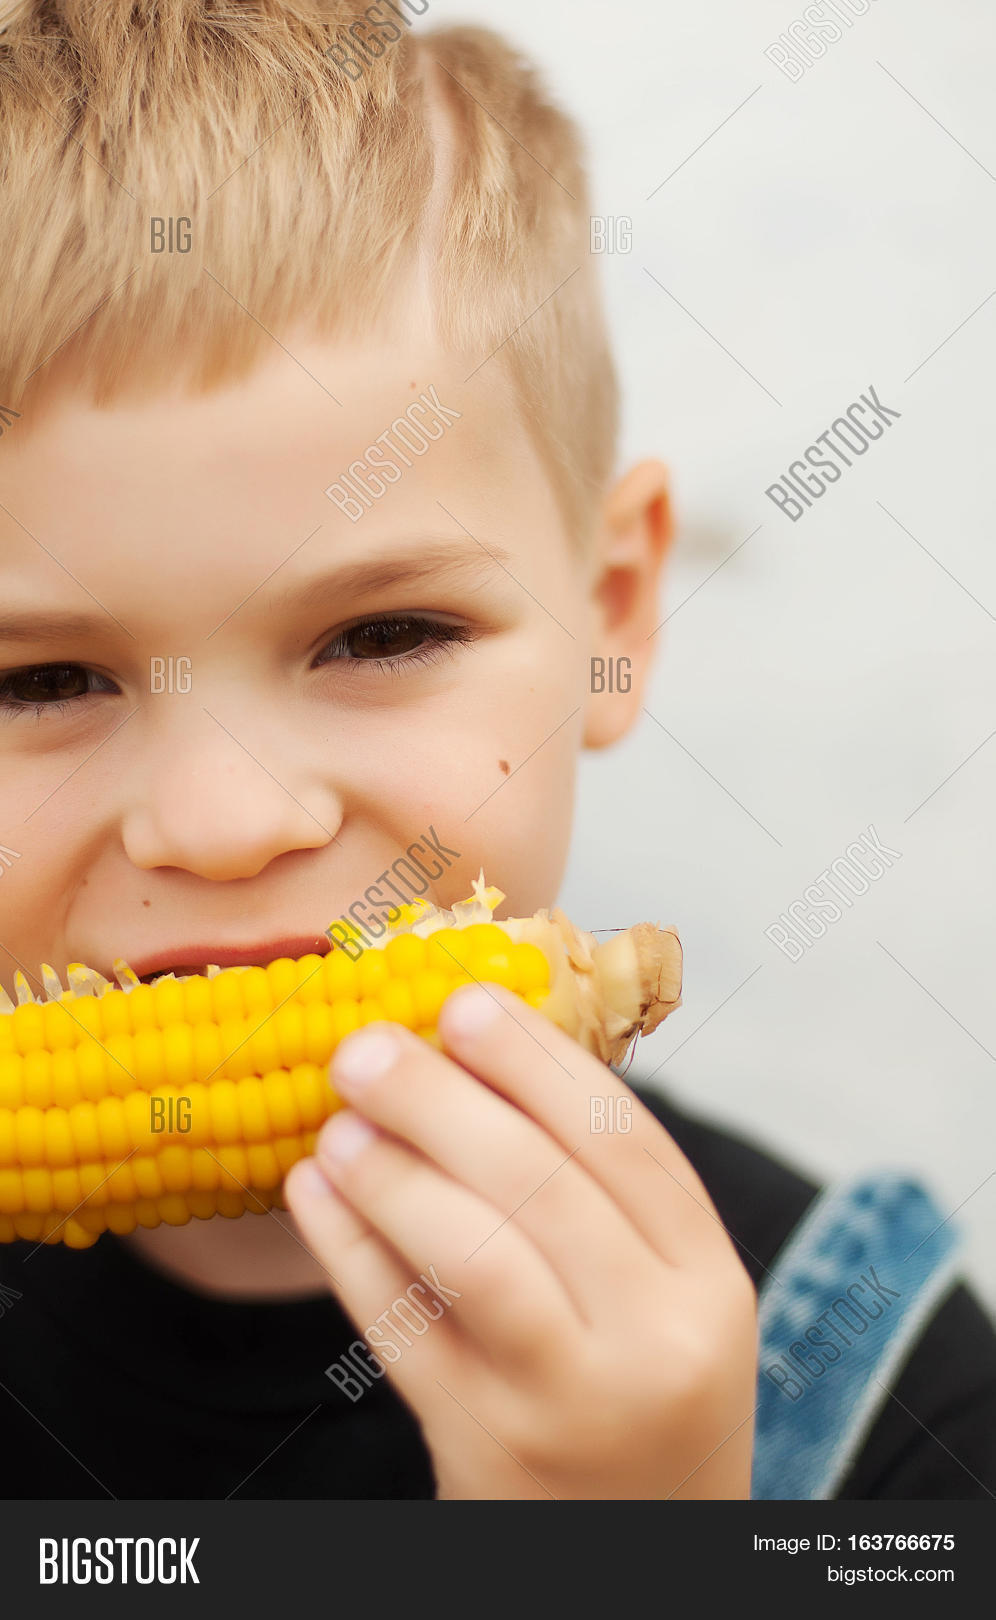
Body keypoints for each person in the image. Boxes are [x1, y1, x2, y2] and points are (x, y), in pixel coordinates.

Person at [0, 0, 993, 1500]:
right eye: (41, 678)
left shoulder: (882, 1388)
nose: (221, 822)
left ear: (612, 614)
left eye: (383, 636)